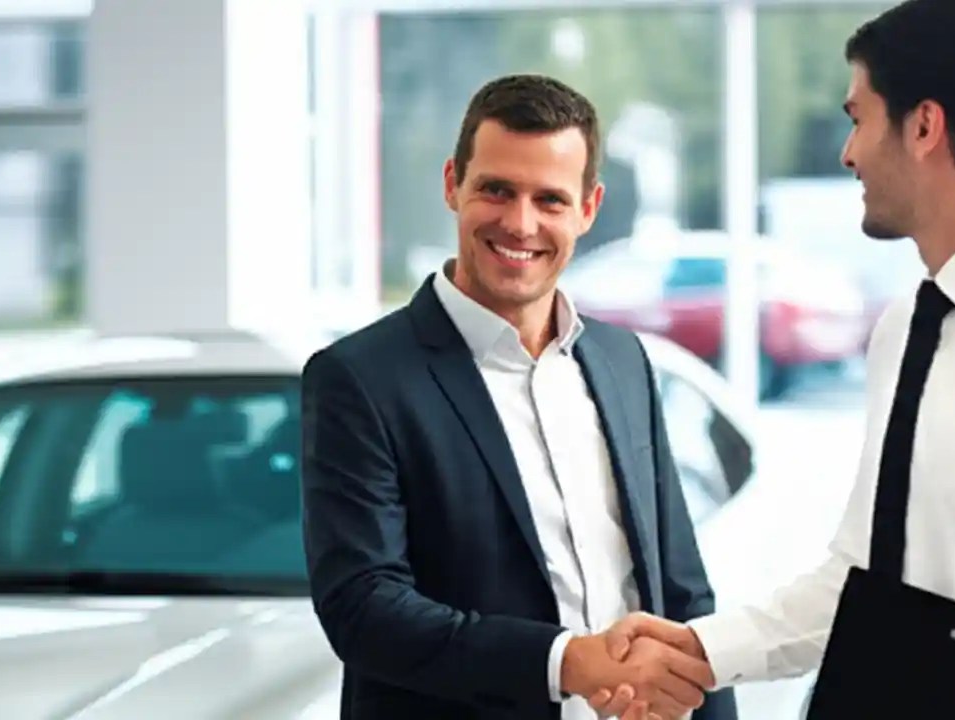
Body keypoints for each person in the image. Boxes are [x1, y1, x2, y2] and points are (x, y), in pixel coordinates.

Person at [592, 0, 955, 718]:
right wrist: (698, 651)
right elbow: (865, 581)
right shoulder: (907, 329)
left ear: (923, 126)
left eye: (858, 118)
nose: (847, 153)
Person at [301, 74, 738, 720]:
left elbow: (683, 593)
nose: (520, 223)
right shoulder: (359, 379)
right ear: (454, 183)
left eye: (550, 199)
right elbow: (364, 609)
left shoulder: (623, 362)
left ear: (588, 209)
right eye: (497, 190)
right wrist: (565, 662)